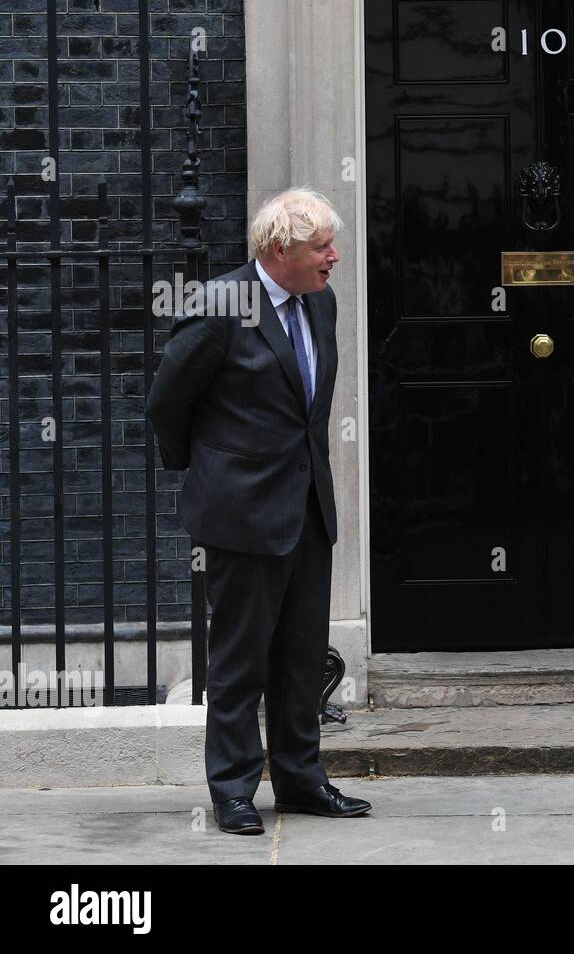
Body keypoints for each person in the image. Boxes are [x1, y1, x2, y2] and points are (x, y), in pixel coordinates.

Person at [146, 188, 371, 835]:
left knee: (301, 655)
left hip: (306, 508)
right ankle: (235, 790)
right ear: (280, 249)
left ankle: (301, 779)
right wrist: (211, 472)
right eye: (321, 246)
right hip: (242, 513)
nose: (333, 256)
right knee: (240, 658)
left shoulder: (320, 302)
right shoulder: (222, 304)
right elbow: (167, 400)